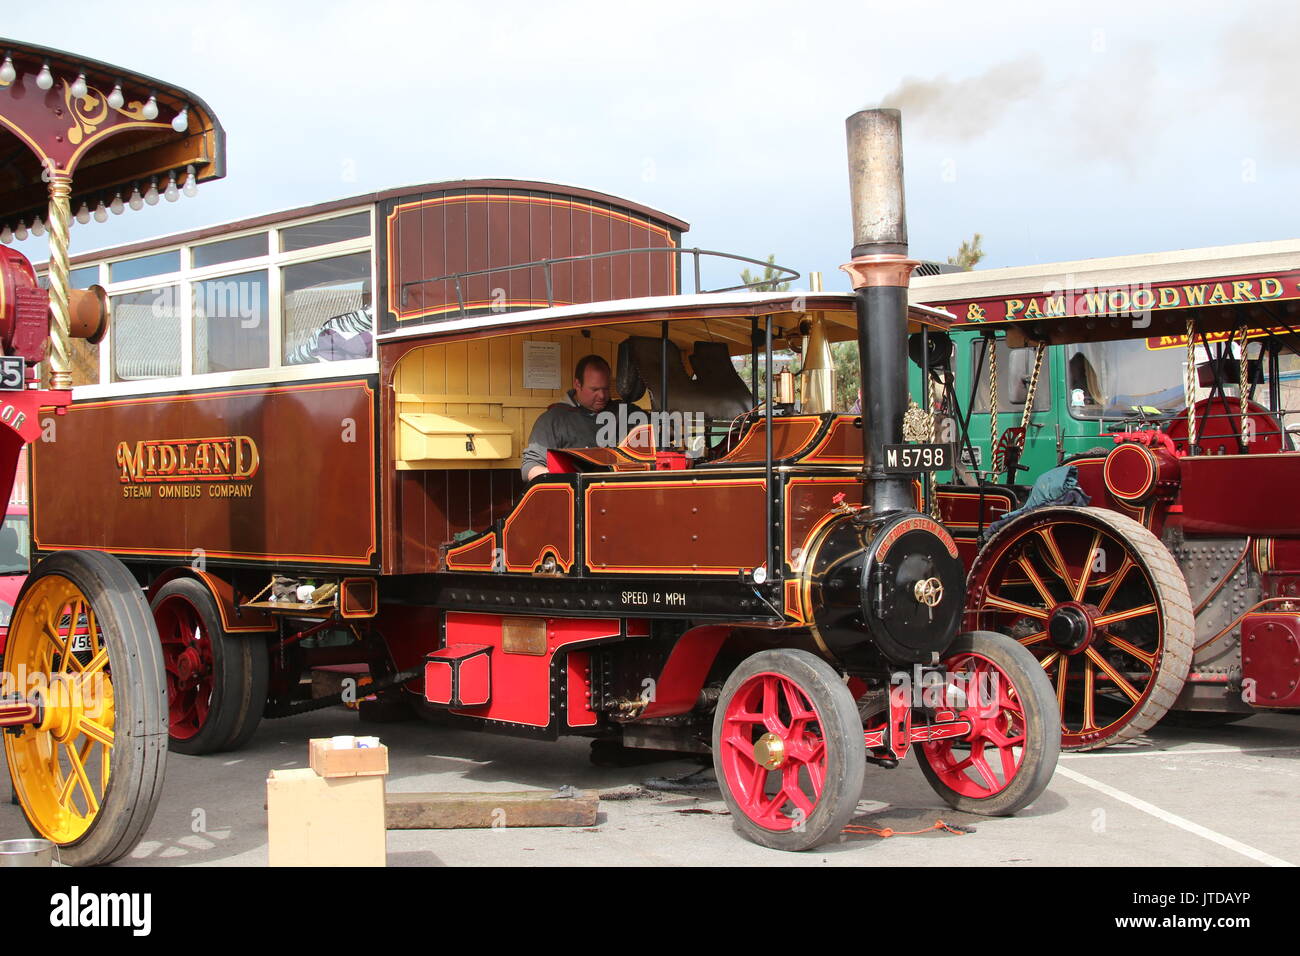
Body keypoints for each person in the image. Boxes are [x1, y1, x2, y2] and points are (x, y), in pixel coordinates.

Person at [522, 354, 618, 480]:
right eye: (594, 389)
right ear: (577, 384)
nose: (601, 395)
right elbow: (530, 466)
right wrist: (567, 481)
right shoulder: (553, 419)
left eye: (605, 388)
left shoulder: (624, 412)